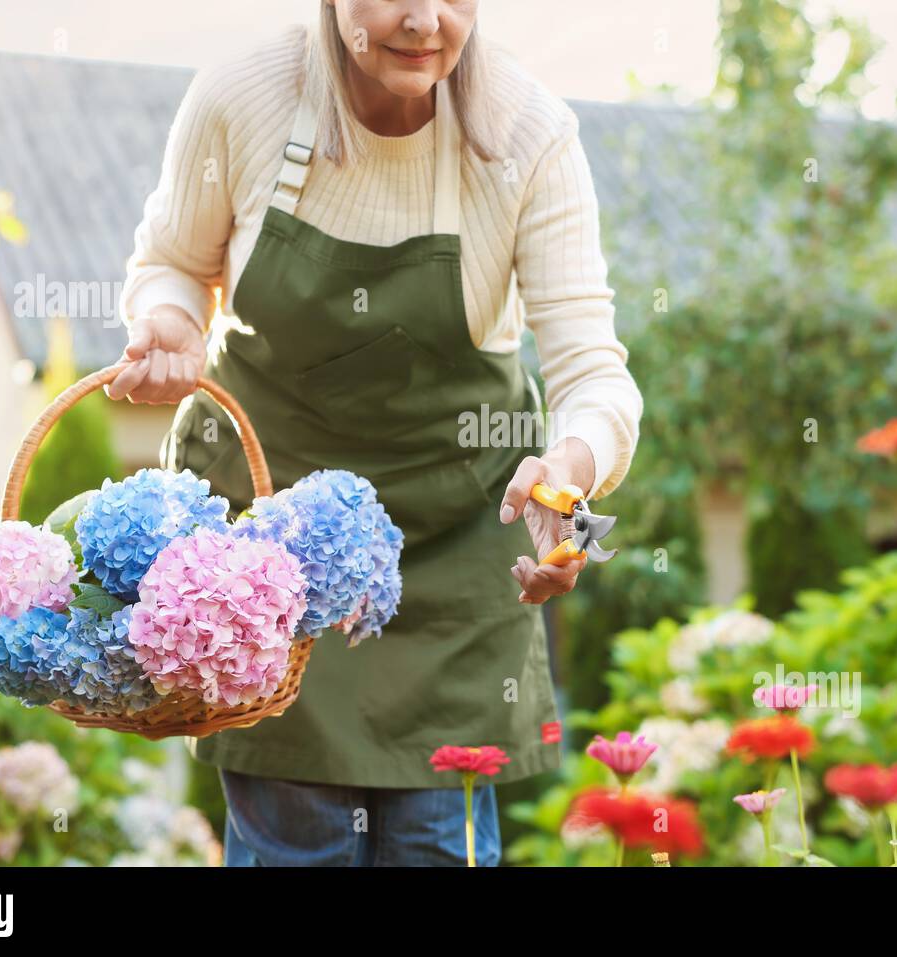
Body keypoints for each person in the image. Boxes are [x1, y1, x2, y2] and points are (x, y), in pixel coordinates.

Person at [108, 0, 642, 866]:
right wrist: (169, 321)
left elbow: (592, 372)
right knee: (295, 839)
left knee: (440, 841)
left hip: (455, 548)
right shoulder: (245, 96)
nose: (426, 20)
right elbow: (170, 260)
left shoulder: (530, 136)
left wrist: (571, 474)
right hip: (270, 562)